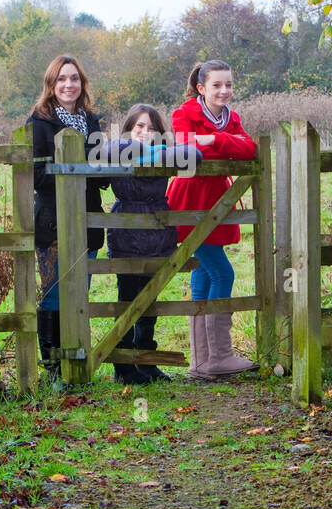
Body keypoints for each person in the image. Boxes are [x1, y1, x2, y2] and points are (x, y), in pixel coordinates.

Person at [167, 59, 259, 381]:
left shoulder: (232, 118)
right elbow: (187, 149)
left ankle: (202, 363)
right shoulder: (184, 114)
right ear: (201, 87)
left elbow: (249, 149)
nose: (224, 90)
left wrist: (213, 140)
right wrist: (218, 145)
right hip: (192, 199)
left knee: (205, 272)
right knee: (222, 272)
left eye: (228, 84)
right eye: (217, 85)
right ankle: (218, 356)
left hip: (219, 200)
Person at [102, 105, 202, 384]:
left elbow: (195, 155)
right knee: (127, 299)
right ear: (128, 129)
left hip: (158, 232)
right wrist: (147, 150)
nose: (145, 132)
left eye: (151, 128)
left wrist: (156, 151)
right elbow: (107, 149)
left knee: (150, 302)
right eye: (139, 127)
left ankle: (147, 362)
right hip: (126, 233)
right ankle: (123, 366)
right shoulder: (117, 149)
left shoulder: (164, 152)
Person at [26, 55, 108, 384]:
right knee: (54, 295)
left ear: (82, 84)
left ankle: (76, 366)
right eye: (61, 79)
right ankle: (53, 368)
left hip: (88, 219)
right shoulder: (39, 123)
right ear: (51, 84)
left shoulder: (92, 121)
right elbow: (36, 176)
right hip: (53, 222)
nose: (68, 84)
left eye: (74, 78)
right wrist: (77, 168)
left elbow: (104, 174)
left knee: (80, 294)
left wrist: (91, 167)